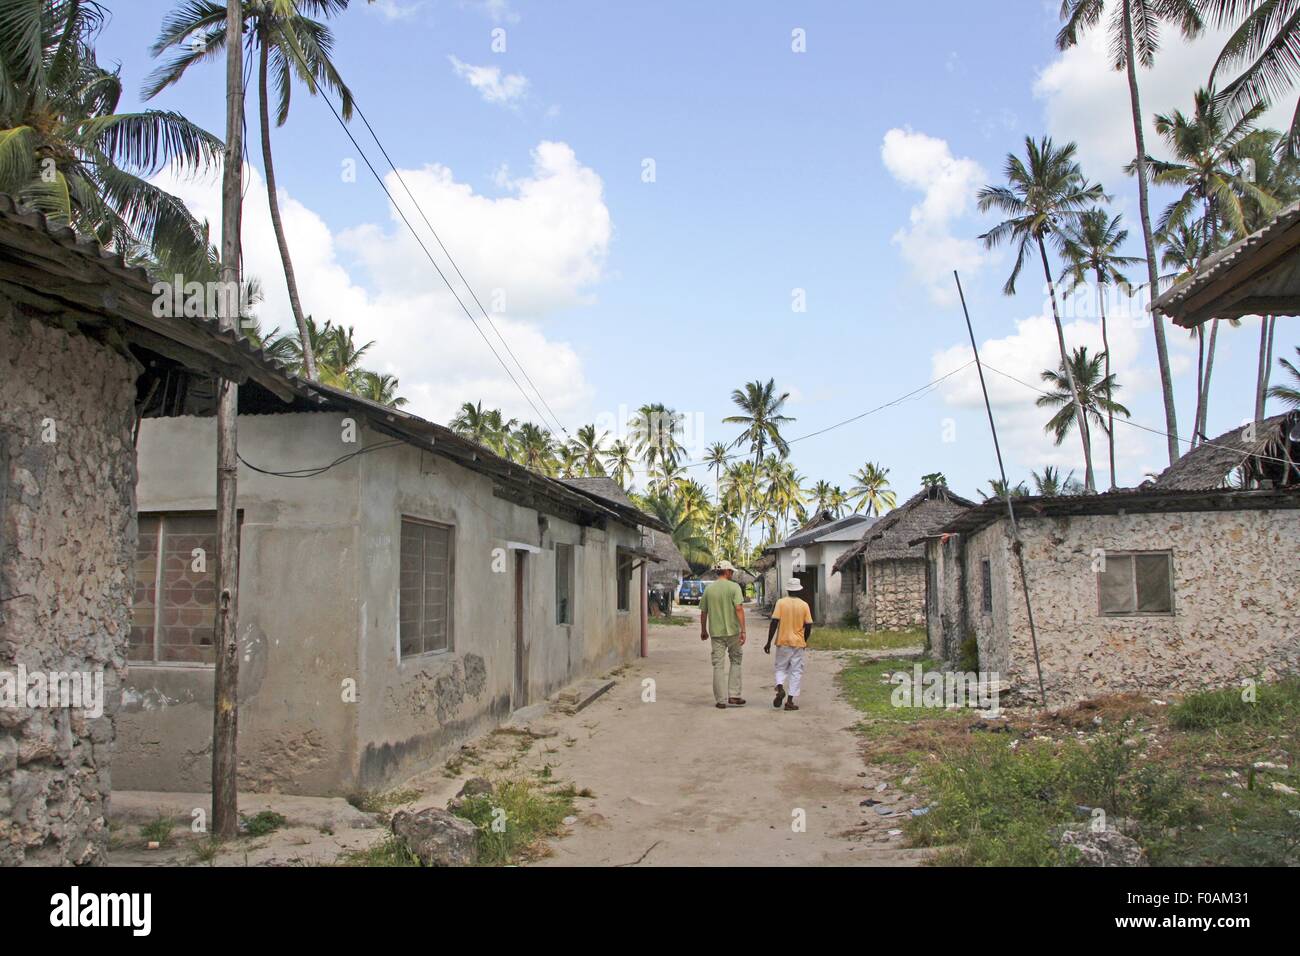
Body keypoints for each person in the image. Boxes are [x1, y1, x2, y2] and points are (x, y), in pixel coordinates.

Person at [699, 560, 747, 709]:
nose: (732, 574)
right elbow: (738, 608)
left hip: (716, 633)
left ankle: (720, 700)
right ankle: (734, 695)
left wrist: (703, 630)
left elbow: (703, 612)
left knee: (718, 665)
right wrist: (743, 630)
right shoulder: (734, 587)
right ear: (726, 572)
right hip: (733, 632)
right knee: (736, 661)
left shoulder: (709, 589)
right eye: (731, 571)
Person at [764, 578, 813, 711]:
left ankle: (780, 687)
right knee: (796, 671)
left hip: (783, 641)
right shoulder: (804, 605)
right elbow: (808, 625)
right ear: (799, 590)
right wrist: (804, 640)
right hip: (798, 643)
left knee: (780, 668)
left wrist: (769, 642)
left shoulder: (781, 603)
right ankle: (790, 702)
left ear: (788, 589)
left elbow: (774, 622)